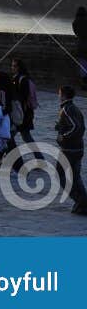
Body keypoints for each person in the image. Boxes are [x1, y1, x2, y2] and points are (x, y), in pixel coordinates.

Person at [57, 84, 87, 214]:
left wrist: (64, 136)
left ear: (63, 95)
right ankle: (82, 203)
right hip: (76, 149)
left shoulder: (68, 109)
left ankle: (81, 202)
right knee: (75, 177)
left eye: (59, 93)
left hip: (70, 150)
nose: (58, 95)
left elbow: (77, 127)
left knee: (62, 175)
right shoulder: (72, 108)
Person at [9, 57, 38, 167]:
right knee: (26, 137)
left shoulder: (22, 80)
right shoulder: (19, 78)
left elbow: (22, 98)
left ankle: (8, 159)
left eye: (14, 66)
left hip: (23, 114)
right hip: (23, 113)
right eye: (12, 66)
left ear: (19, 67)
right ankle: (40, 160)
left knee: (9, 137)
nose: (12, 68)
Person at [75, 6, 87, 86]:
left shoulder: (75, 22)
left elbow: (77, 34)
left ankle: (84, 82)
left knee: (83, 65)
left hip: (80, 46)